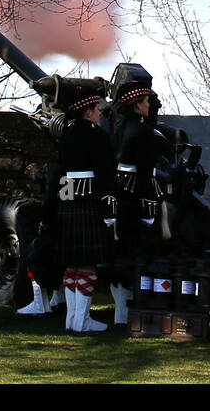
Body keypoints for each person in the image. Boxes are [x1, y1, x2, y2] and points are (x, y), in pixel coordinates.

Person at [55, 82, 115, 333]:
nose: (100, 113)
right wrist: (110, 209)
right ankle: (83, 320)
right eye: (97, 109)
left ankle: (72, 319)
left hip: (68, 199)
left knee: (72, 263)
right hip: (90, 200)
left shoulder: (66, 135)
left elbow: (60, 171)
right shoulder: (98, 136)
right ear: (88, 112)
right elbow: (105, 175)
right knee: (88, 262)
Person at [110, 74, 159, 326]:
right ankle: (131, 313)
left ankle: (119, 313)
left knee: (119, 256)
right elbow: (147, 173)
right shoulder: (143, 132)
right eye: (146, 101)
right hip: (135, 202)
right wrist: (150, 211)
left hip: (118, 198)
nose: (149, 105)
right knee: (137, 257)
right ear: (137, 104)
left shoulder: (119, 127)